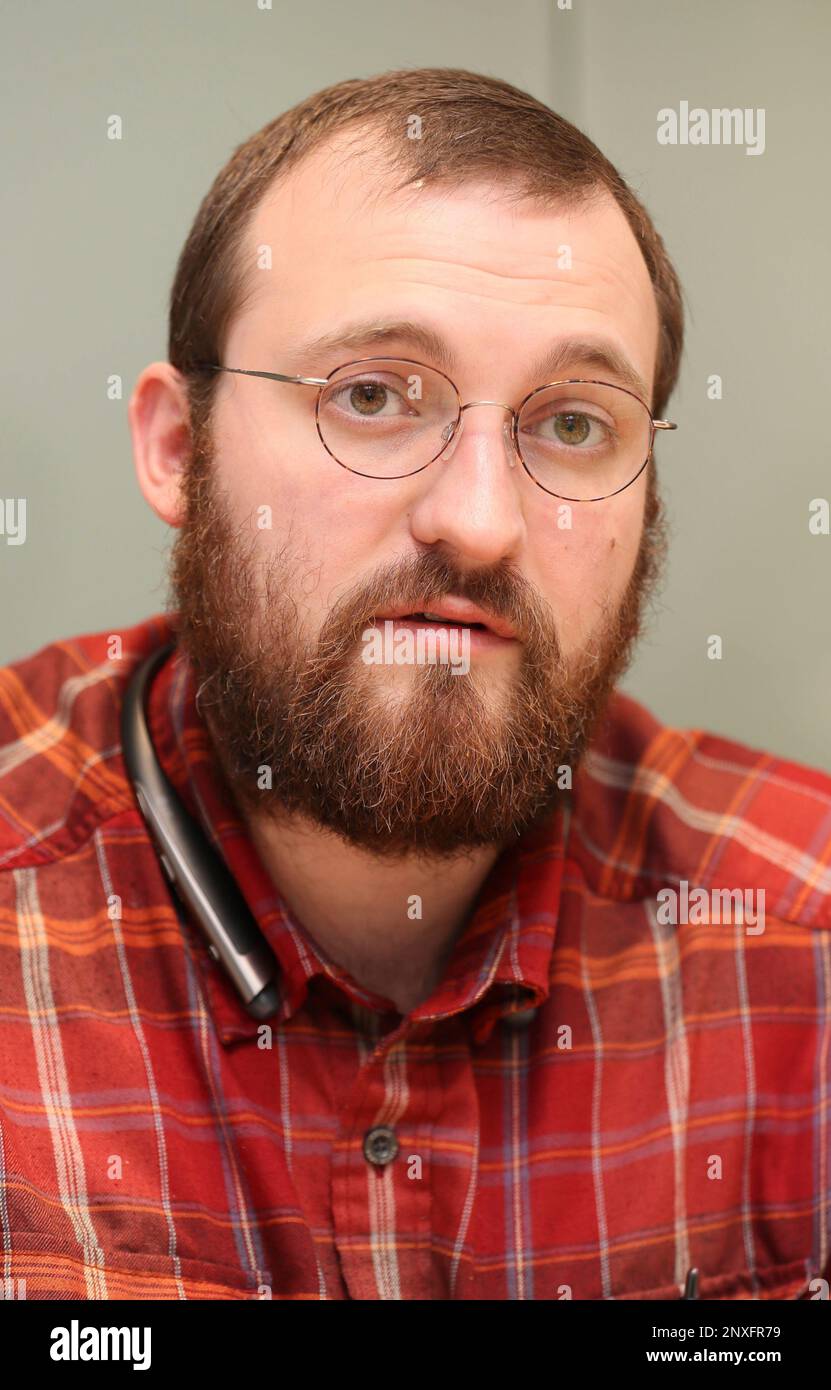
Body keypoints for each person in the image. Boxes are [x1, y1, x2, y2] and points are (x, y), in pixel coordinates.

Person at [1, 67, 828, 1302]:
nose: (482, 521)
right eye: (373, 397)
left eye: (574, 424)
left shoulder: (797, 947)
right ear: (180, 451)